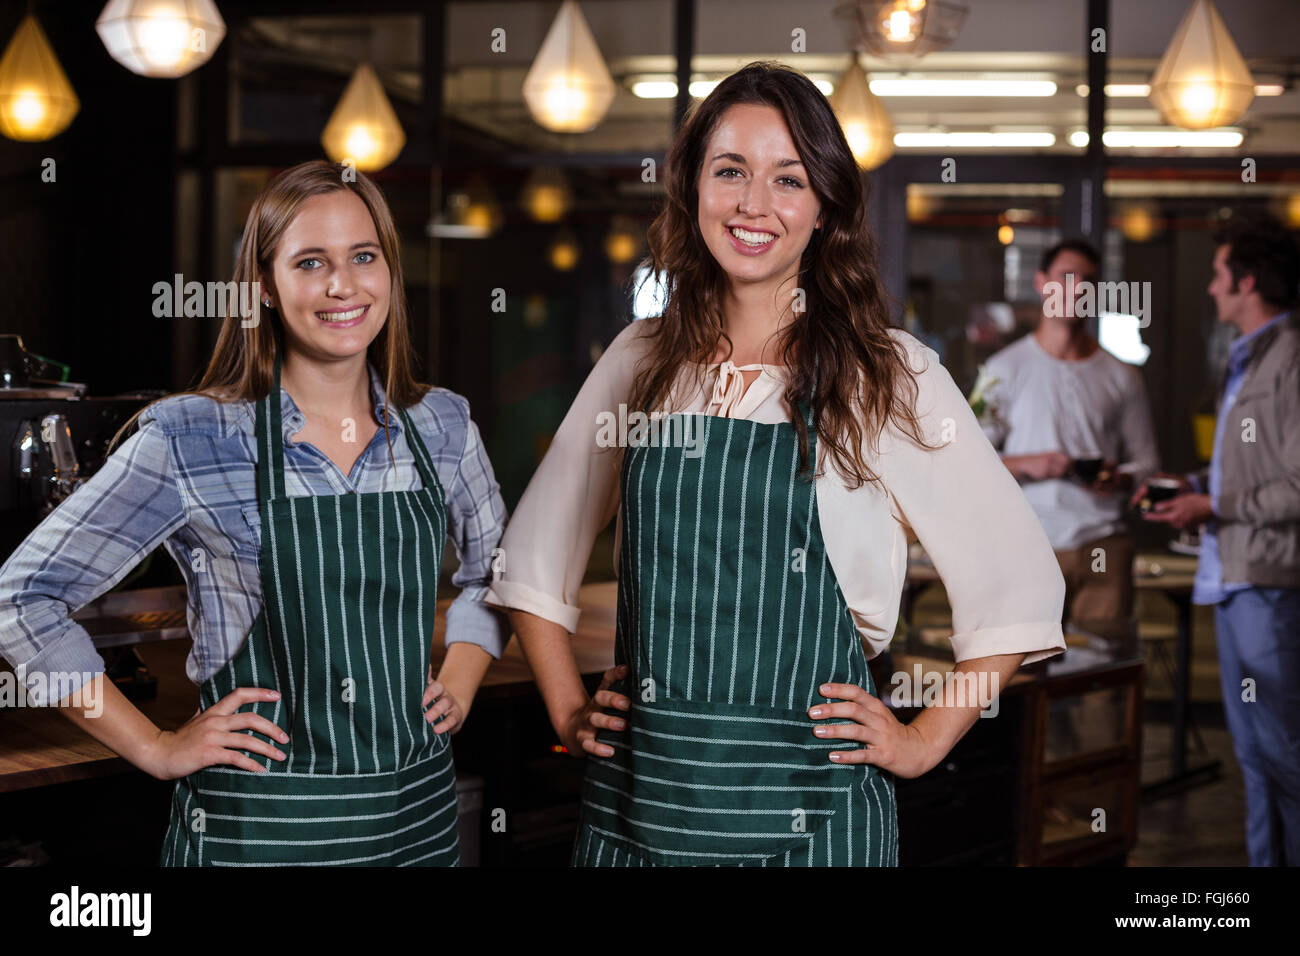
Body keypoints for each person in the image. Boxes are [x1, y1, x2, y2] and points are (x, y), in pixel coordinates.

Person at [486, 61, 1066, 867]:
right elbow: (531, 557)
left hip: (815, 817)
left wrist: (925, 739)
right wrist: (566, 710)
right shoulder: (642, 360)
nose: (754, 204)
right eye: (730, 171)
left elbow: (1020, 583)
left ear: (825, 206)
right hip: (638, 809)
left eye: (788, 179)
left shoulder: (886, 373)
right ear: (693, 188)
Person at [0, 160, 511, 866]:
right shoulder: (191, 437)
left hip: (412, 821)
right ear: (264, 287)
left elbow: (497, 572)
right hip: (259, 829)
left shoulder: (441, 426)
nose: (343, 285)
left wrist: (461, 676)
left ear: (389, 271)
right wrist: (155, 746)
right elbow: (20, 597)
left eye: (364, 257)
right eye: (310, 263)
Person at [1133, 216, 1300, 866]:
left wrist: (1215, 503)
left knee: (1283, 753)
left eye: (1219, 272)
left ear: (1248, 281)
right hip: (1236, 581)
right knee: (1256, 756)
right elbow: (1257, 469)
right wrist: (1194, 485)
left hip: (1270, 587)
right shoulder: (1251, 358)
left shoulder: (1289, 361)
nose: (1210, 288)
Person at [978, 238, 1159, 634]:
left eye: (1089, 281)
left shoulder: (1122, 375)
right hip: (1029, 542)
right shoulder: (1001, 369)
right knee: (1024, 674)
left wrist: (1121, 477)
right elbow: (969, 462)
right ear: (1041, 282)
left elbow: (1147, 464)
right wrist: (1029, 463)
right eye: (1066, 278)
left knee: (1103, 679)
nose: (1077, 289)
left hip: (1103, 542)